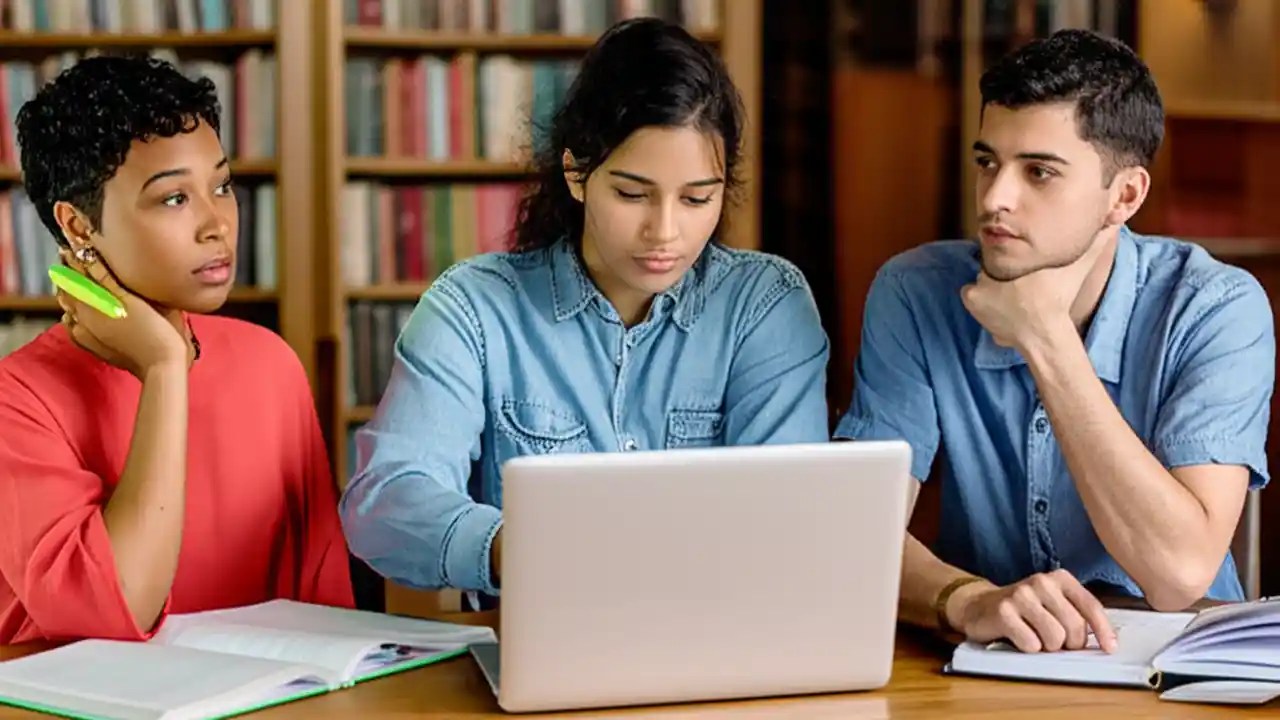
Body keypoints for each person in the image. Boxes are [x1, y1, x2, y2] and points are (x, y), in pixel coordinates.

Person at [340, 18, 830, 605]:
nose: (665, 231)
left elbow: (786, 521)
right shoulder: (473, 311)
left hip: (719, 642)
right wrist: (517, 548)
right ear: (577, 174)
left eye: (698, 198)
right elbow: (385, 503)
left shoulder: (764, 307)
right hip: (536, 647)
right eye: (632, 194)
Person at [837, 29, 1274, 654]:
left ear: (1124, 196)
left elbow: (1177, 575)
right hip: (986, 666)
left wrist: (1045, 336)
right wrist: (966, 598)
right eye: (987, 162)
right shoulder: (915, 292)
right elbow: (857, 536)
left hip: (1180, 674)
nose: (994, 199)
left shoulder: (1216, 307)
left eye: (1039, 172)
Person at [0, 55, 353, 644]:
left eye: (220, 186)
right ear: (78, 226)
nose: (217, 223)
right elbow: (115, 611)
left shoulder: (270, 365)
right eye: (173, 199)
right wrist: (164, 368)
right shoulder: (17, 398)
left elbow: (325, 611)